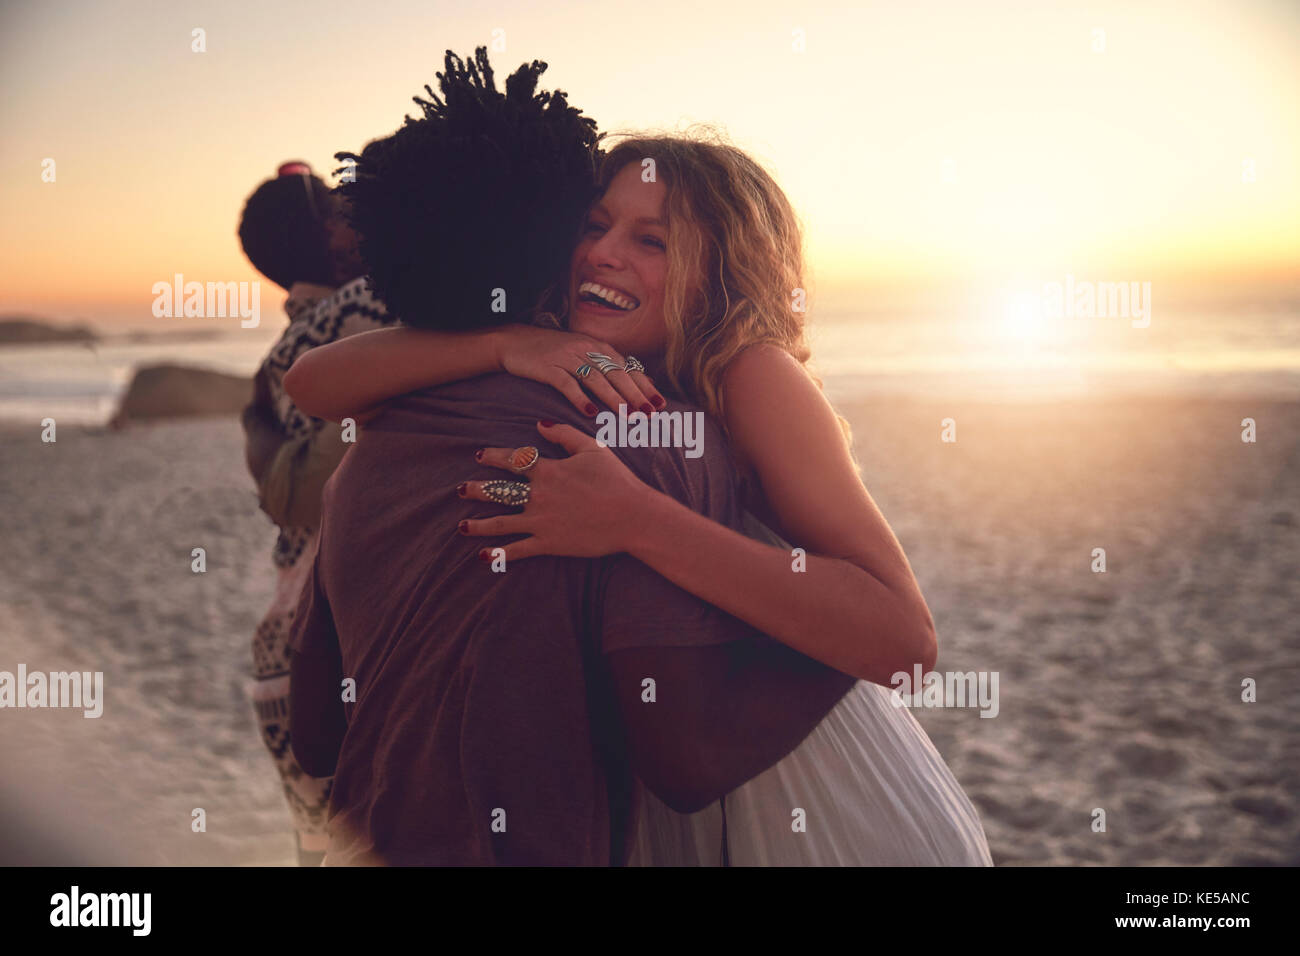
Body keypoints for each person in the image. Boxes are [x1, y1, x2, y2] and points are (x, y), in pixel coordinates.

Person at [286, 132, 994, 865]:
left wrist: (636, 520)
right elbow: (311, 383)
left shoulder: (748, 372)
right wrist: (505, 345)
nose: (603, 252)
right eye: (594, 226)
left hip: (812, 802)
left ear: (719, 271)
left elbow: (906, 641)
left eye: (652, 240)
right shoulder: (556, 347)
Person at [237, 160, 394, 865]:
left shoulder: (284, 351)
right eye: (337, 205)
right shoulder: (369, 310)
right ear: (324, 239)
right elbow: (303, 487)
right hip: (330, 641)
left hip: (291, 646)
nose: (355, 211)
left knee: (321, 851)